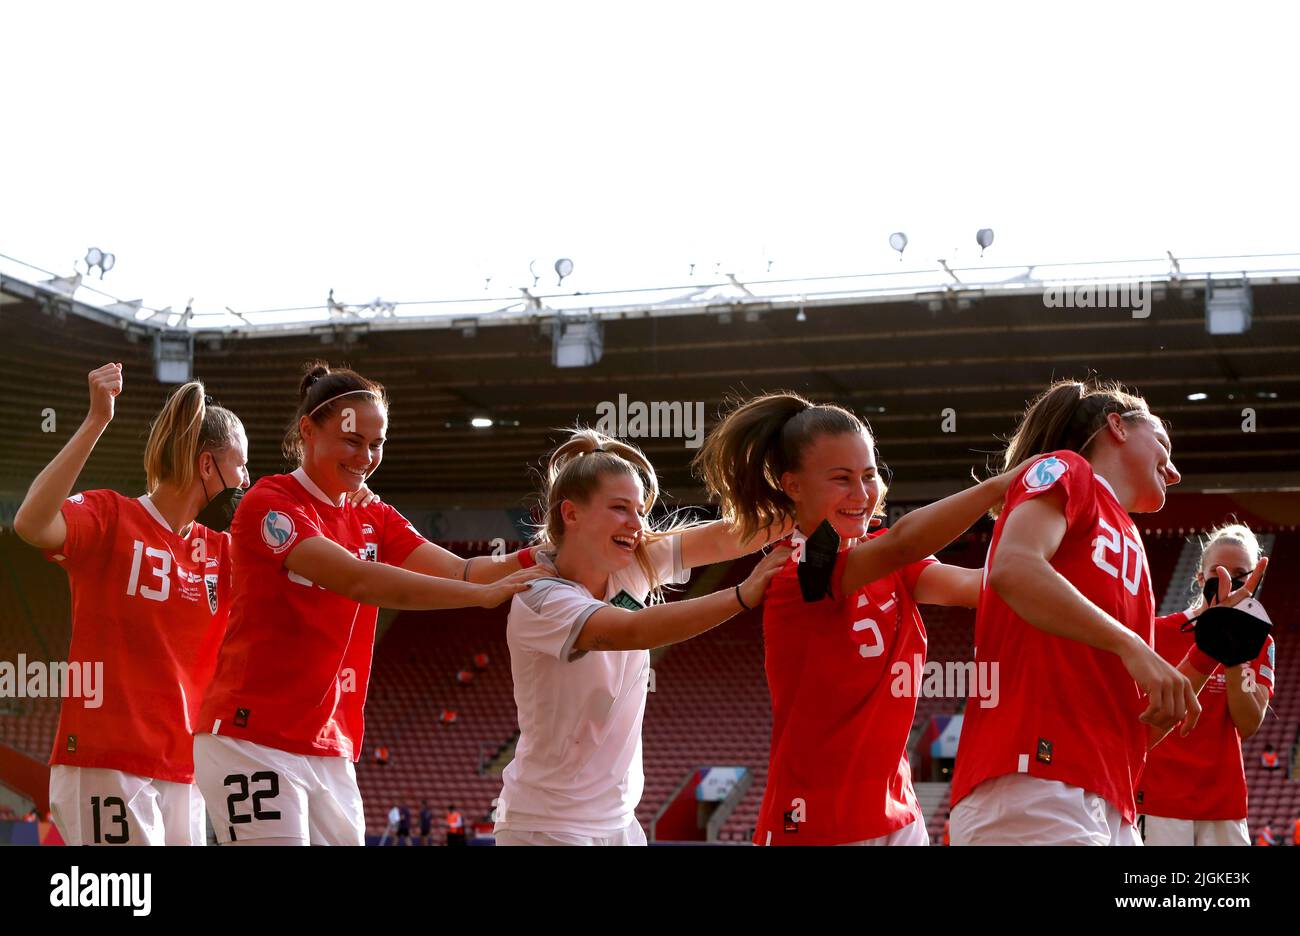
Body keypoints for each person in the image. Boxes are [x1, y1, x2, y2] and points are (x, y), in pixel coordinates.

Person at [194, 362, 545, 846]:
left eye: (377, 444)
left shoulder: (375, 515)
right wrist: (479, 598)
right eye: (352, 441)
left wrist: (546, 554)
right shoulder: (269, 504)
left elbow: (464, 568)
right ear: (308, 431)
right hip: (250, 737)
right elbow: (359, 580)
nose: (367, 456)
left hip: (330, 742)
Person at [693, 391, 1031, 845]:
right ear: (793, 486)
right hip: (815, 820)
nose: (861, 494)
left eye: (869, 475)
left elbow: (982, 587)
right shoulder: (794, 572)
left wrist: (1052, 551)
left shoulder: (890, 557)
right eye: (841, 479)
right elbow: (902, 544)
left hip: (898, 815)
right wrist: (1004, 484)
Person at [949, 378, 1264, 846]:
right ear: (1116, 426)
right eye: (1162, 442)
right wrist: (1131, 644)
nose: (1174, 472)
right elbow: (1013, 568)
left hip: (1109, 796)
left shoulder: (1130, 540)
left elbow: (1135, 730)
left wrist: (1205, 654)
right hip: (1035, 777)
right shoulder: (1068, 470)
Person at [493, 429, 793, 846]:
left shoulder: (628, 567)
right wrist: (742, 595)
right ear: (571, 514)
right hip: (547, 827)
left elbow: (727, 535)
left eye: (639, 510)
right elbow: (633, 630)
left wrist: (804, 509)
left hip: (618, 823)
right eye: (620, 508)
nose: (636, 525)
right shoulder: (541, 598)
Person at [13, 365, 250, 846]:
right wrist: (96, 421)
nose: (247, 479)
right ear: (208, 466)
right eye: (241, 465)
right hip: (105, 761)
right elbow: (31, 524)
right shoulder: (111, 519)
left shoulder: (222, 554)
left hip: (182, 769)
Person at [1137, 523, 1275, 846]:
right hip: (1158, 799)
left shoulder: (1261, 642)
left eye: (1241, 573)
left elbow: (1248, 723)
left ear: (1256, 579)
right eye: (1219, 571)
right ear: (1200, 577)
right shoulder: (1157, 631)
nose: (1229, 580)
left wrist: (1233, 651)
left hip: (1222, 803)